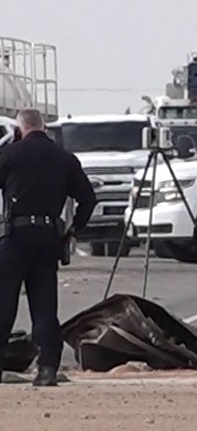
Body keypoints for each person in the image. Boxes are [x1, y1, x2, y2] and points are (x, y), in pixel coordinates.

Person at [0, 108, 96, 386]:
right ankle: (47, 368)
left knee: (4, 301)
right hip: (48, 236)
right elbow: (88, 199)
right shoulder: (64, 158)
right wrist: (74, 229)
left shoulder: (11, 154)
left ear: (20, 129)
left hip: (16, 235)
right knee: (44, 304)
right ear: (44, 127)